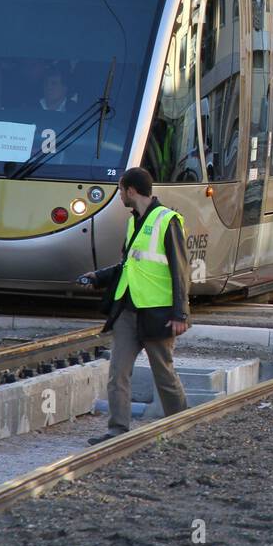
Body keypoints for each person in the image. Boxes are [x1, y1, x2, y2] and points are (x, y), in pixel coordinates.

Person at [78, 167, 190, 443]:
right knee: (118, 374)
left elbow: (180, 271)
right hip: (128, 311)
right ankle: (117, 431)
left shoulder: (167, 221)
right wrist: (100, 277)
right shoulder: (133, 222)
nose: (119, 196)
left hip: (158, 313)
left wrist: (180, 314)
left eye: (120, 189)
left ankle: (184, 427)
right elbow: (130, 264)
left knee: (163, 375)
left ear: (131, 190)